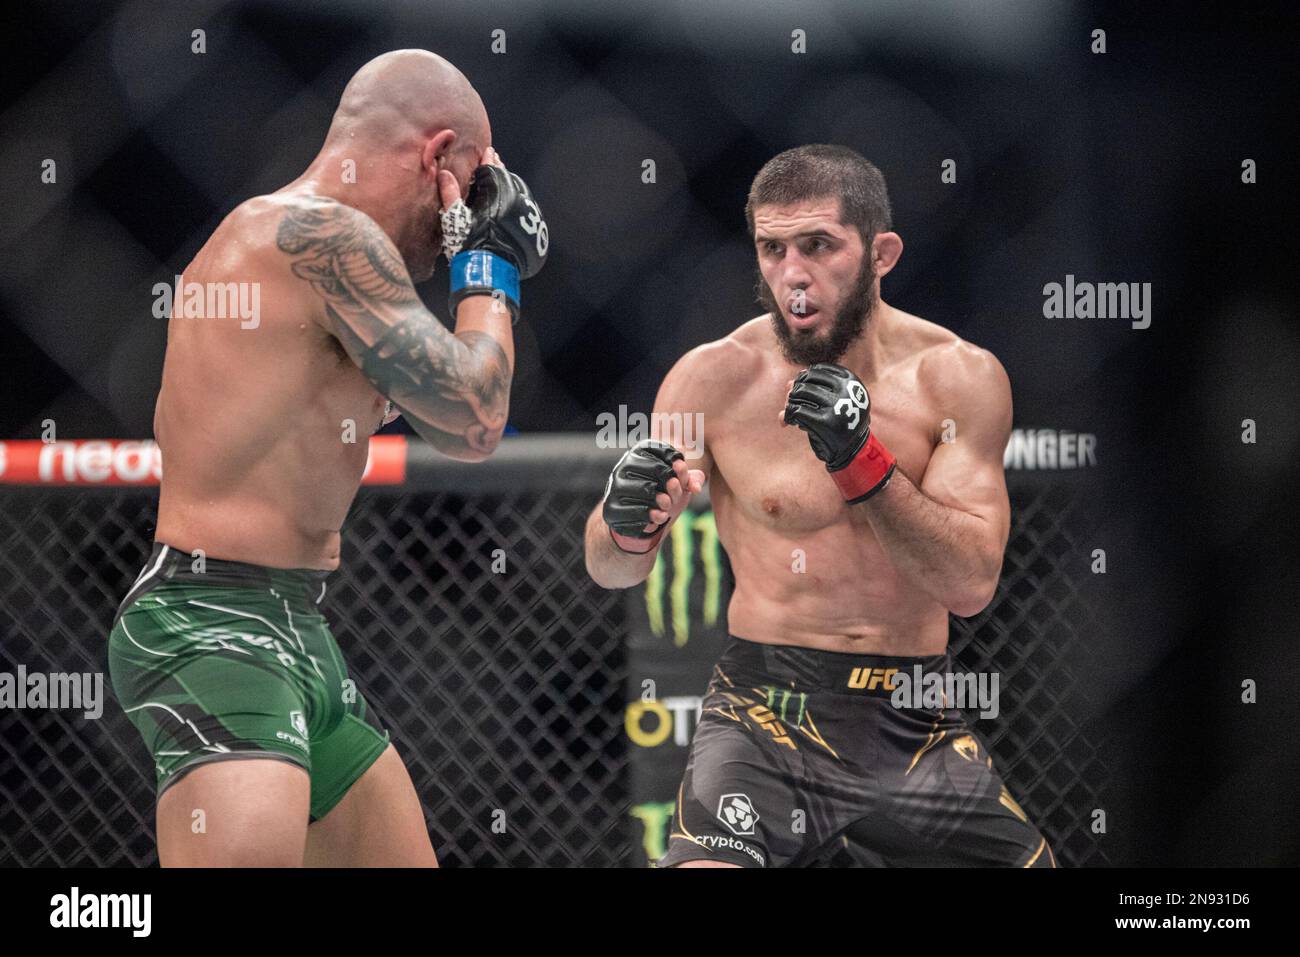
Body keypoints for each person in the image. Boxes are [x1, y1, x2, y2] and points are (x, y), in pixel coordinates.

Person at [108, 49, 547, 866]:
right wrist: (489, 263)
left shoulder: (284, 245)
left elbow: (450, 423)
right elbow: (475, 417)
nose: (474, 208)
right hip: (215, 623)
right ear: (438, 157)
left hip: (294, 624)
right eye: (477, 183)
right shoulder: (322, 237)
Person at [585, 144, 1054, 867]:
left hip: (913, 722)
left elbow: (969, 583)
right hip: (762, 714)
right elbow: (614, 569)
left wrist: (860, 460)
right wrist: (623, 522)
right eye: (772, 249)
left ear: (880, 253)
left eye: (818, 246)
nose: (793, 275)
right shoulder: (714, 380)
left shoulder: (958, 379)